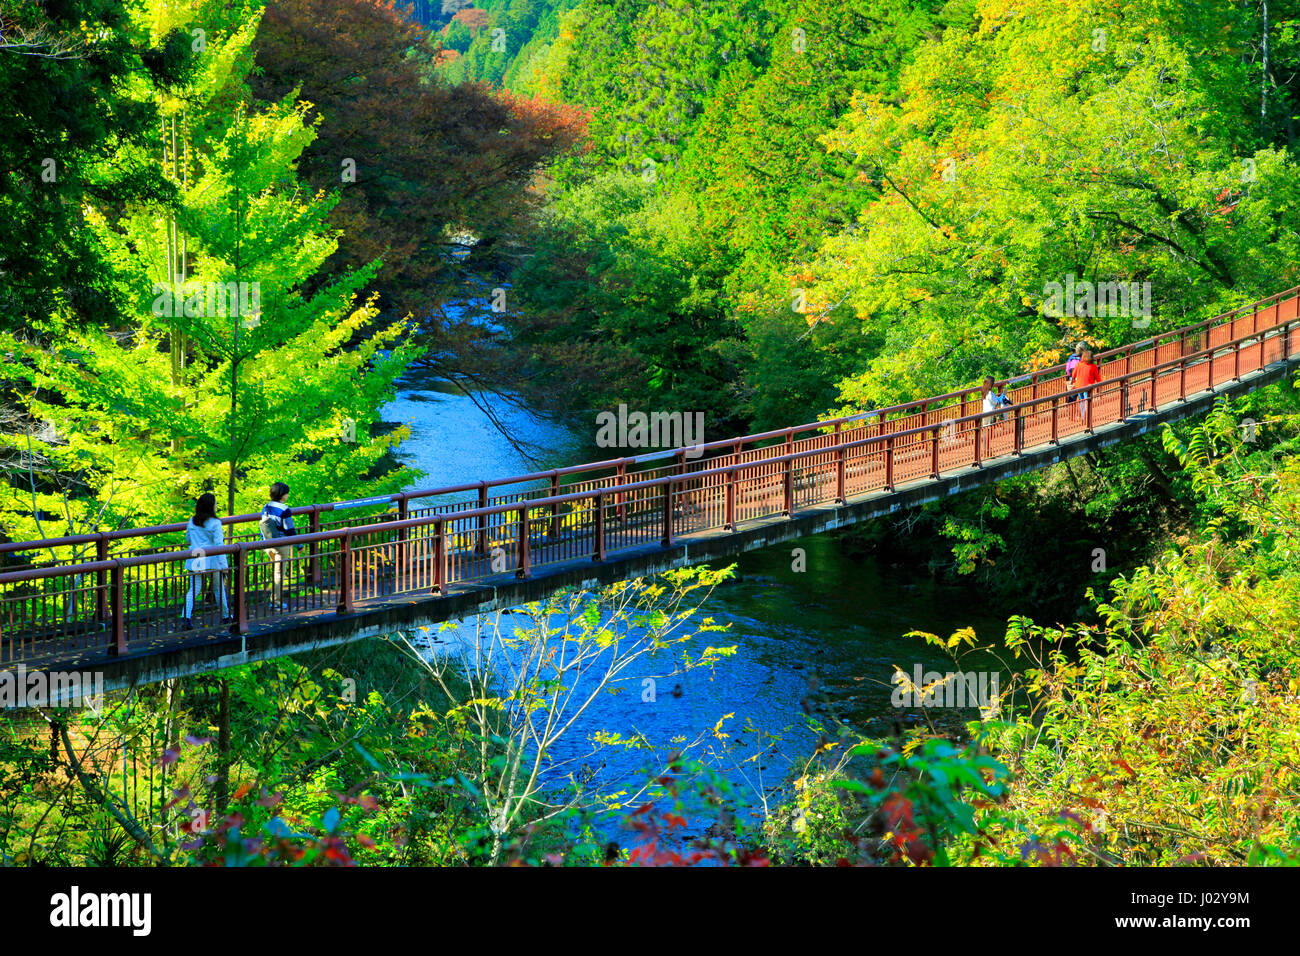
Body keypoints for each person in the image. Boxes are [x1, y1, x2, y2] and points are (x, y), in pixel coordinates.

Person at [182, 492, 231, 629]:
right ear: (211, 506)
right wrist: (224, 565)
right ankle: (225, 616)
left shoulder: (192, 521)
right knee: (218, 588)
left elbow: (187, 539)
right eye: (215, 503)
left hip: (196, 557)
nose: (216, 505)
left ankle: (186, 617)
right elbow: (219, 545)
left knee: (194, 589)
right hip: (212, 559)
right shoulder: (215, 523)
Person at [259, 482, 297, 611]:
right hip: (281, 544)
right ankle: (276, 602)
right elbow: (289, 529)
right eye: (286, 493)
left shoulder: (266, 507)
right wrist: (299, 544)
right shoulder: (285, 509)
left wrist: (263, 541)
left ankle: (273, 599)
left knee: (275, 572)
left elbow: (263, 525)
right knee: (279, 573)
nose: (287, 495)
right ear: (282, 495)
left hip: (268, 543)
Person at [1074, 348, 1102, 423]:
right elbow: (1097, 378)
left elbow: (1073, 374)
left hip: (1079, 386)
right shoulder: (1093, 366)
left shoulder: (1079, 364)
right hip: (1088, 387)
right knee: (1087, 401)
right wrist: (1100, 385)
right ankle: (1086, 416)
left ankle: (1083, 416)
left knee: (1081, 401)